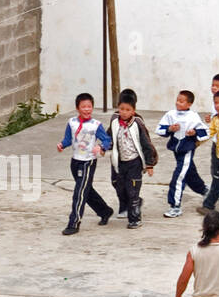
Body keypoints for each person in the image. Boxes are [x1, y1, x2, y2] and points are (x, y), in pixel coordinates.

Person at [57, 92, 113, 235]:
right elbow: (68, 139)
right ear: (77, 108)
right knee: (86, 190)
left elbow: (107, 140)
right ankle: (105, 211)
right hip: (75, 161)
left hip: (88, 162)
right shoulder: (72, 122)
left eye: (89, 106)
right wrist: (62, 145)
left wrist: (101, 147)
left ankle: (74, 223)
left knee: (79, 193)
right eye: (84, 107)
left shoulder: (96, 125)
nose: (87, 109)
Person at [107, 89, 158, 229]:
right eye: (121, 108)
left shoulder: (137, 124)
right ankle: (128, 204)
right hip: (118, 162)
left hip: (134, 163)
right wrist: (103, 146)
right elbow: (109, 137)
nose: (123, 112)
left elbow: (147, 144)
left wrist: (149, 164)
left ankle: (134, 218)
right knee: (118, 185)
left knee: (133, 190)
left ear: (133, 111)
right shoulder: (114, 121)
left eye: (127, 109)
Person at [156, 90, 208, 218]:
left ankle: (175, 206)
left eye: (181, 101)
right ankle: (208, 191)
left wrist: (194, 132)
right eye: (177, 100)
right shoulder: (170, 114)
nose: (178, 103)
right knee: (190, 173)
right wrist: (170, 129)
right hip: (176, 150)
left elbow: (205, 131)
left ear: (189, 104)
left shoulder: (193, 116)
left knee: (179, 176)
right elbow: (159, 129)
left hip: (187, 150)